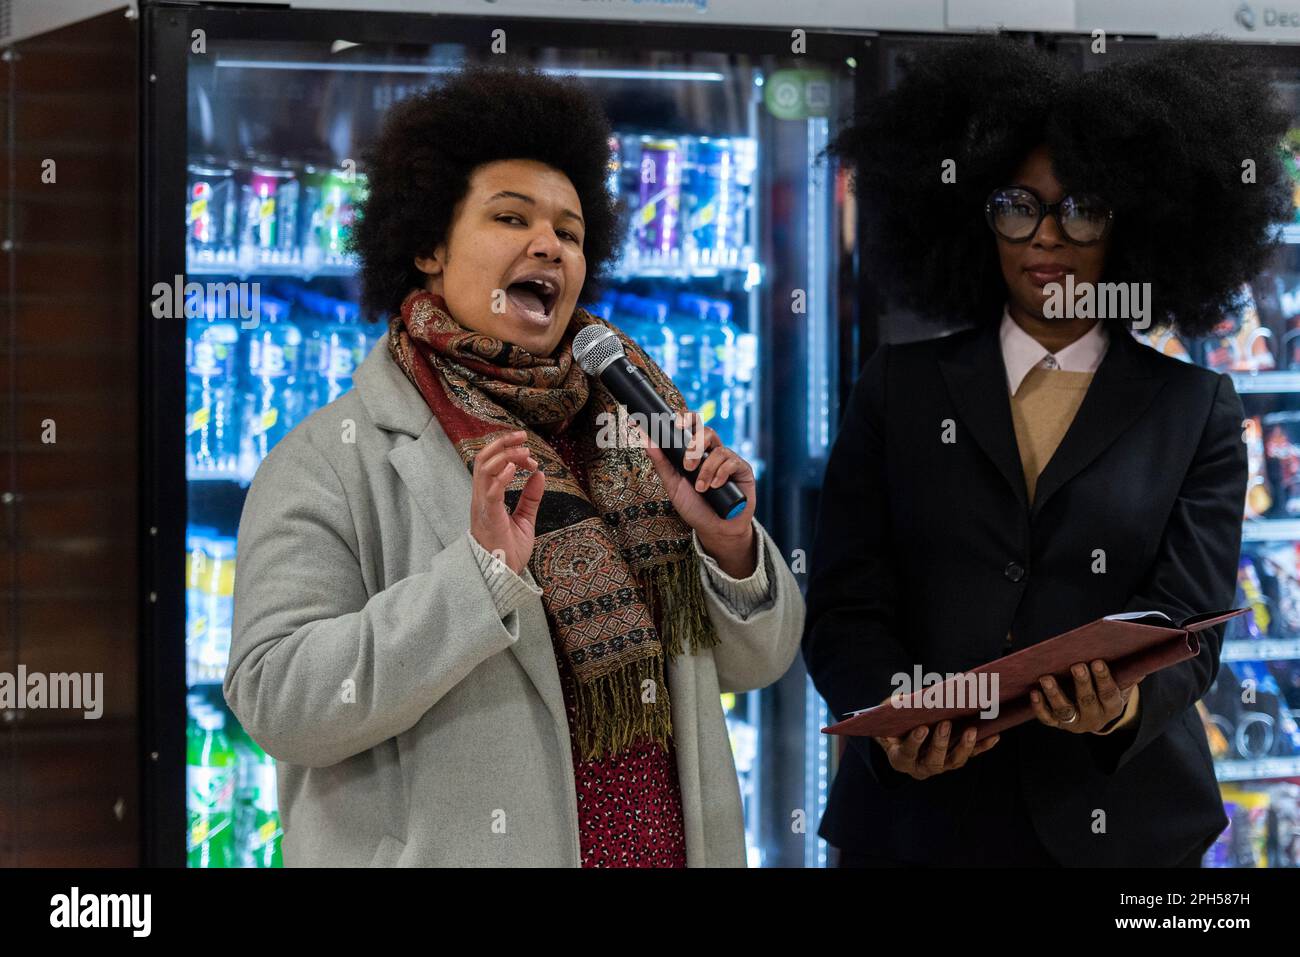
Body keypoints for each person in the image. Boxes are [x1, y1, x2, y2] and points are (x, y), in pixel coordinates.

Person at [224, 64, 803, 867]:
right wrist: (477, 577)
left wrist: (727, 550)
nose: (549, 245)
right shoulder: (331, 457)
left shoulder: (632, 429)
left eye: (570, 231)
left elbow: (756, 661)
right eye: (511, 217)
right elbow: (279, 698)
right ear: (426, 244)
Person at [802, 37, 1289, 866]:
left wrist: (1118, 708)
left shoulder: (1194, 408)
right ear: (977, 218)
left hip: (1122, 824)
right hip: (920, 822)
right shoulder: (899, 388)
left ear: (1132, 223)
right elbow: (846, 597)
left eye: (1083, 209)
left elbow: (1193, 628)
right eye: (1017, 205)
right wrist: (892, 712)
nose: (1047, 237)